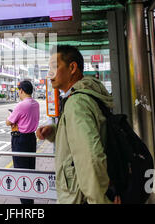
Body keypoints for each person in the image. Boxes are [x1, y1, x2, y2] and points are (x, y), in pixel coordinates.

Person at [36, 45, 114, 204]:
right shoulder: (88, 95)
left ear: (72, 68)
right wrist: (54, 131)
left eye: (54, 67)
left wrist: (99, 200)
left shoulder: (76, 102)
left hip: (78, 196)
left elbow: (90, 157)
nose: (50, 73)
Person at [6, 80, 40, 204]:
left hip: (20, 140)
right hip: (31, 138)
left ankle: (26, 203)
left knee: (21, 172)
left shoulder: (21, 105)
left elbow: (8, 122)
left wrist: (11, 117)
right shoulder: (35, 103)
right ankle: (29, 200)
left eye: (18, 91)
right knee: (30, 170)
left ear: (21, 91)